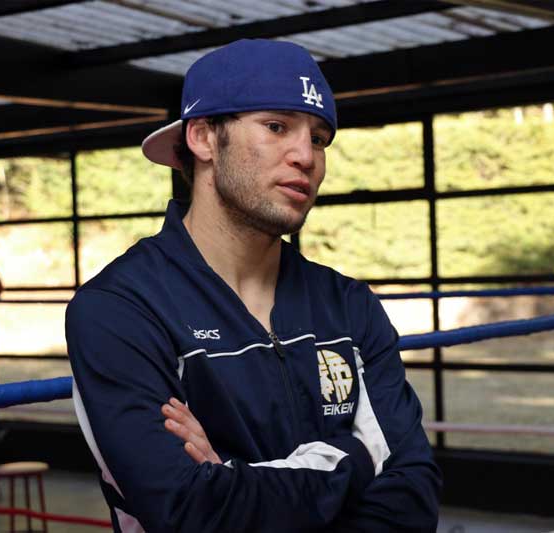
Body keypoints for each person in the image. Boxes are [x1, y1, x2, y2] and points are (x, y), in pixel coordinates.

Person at [66, 38, 442, 533]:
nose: (306, 156)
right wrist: (360, 456)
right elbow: (189, 510)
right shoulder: (121, 309)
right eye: (276, 127)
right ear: (202, 138)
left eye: (320, 137)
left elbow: (413, 495)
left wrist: (233, 479)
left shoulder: (348, 304)